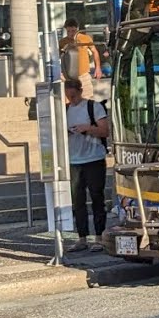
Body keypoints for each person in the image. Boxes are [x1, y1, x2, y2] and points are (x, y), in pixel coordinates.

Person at [64, 79, 109, 253]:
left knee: (97, 198)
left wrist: (87, 128)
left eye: (73, 95)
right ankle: (82, 237)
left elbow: (105, 131)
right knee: (77, 201)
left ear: (80, 91)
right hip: (74, 160)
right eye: (68, 95)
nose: (71, 98)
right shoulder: (65, 110)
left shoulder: (93, 107)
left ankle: (99, 237)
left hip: (94, 159)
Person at [59, 18, 102, 93]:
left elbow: (95, 51)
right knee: (71, 100)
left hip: (83, 75)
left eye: (73, 31)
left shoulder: (85, 38)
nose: (71, 34)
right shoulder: (62, 42)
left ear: (77, 29)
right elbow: (59, 57)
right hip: (68, 77)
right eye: (68, 31)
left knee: (88, 99)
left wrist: (98, 68)